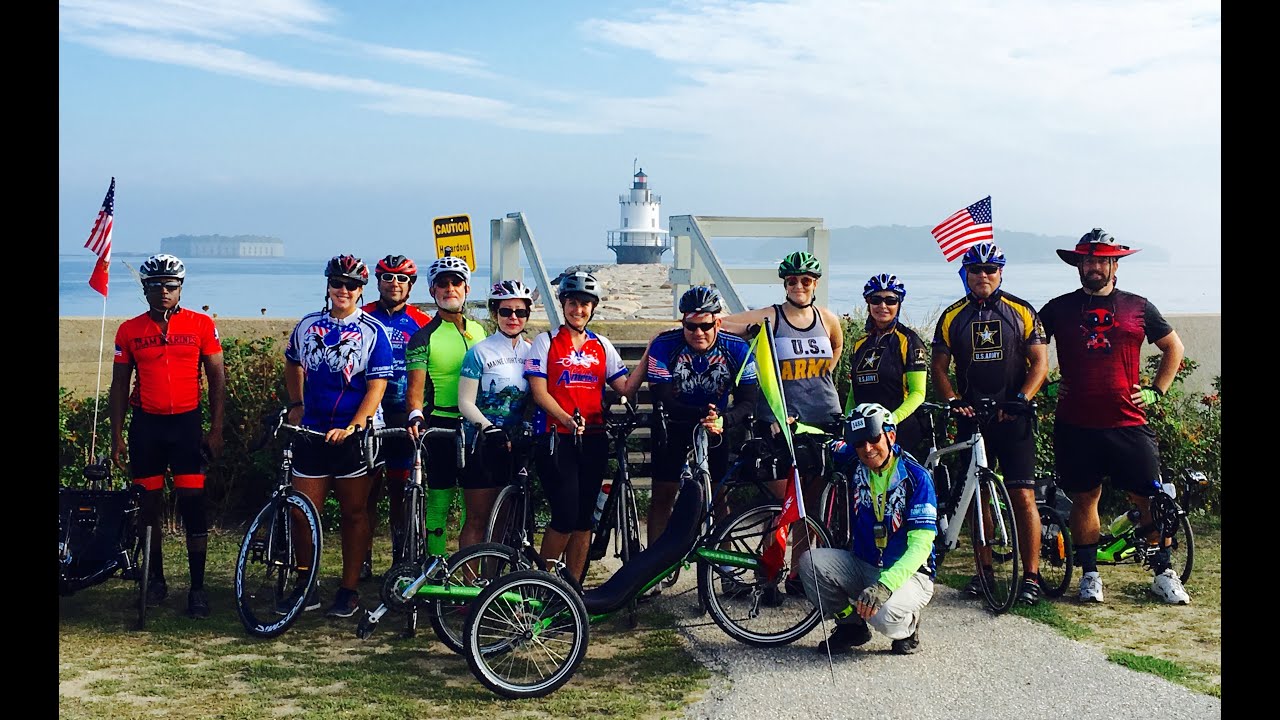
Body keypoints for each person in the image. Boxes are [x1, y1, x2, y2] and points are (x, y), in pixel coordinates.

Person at [1038, 229, 1189, 604]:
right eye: (1087, 261)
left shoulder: (1139, 306)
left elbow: (1173, 348)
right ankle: (1090, 575)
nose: (1093, 266)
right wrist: (1045, 386)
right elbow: (1030, 347)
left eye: (1101, 260)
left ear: (1114, 265)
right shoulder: (1057, 308)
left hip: (1129, 422)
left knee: (1149, 498)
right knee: (1085, 498)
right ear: (1079, 265)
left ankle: (1163, 571)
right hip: (1076, 424)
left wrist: (1156, 391)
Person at [931, 242, 1049, 605]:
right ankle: (983, 572)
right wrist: (953, 401)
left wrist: (1022, 399)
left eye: (990, 269)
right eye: (976, 270)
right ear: (966, 274)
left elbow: (1040, 363)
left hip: (1012, 417)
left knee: (1023, 496)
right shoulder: (953, 315)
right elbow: (939, 366)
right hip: (973, 419)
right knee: (977, 496)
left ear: (1000, 272)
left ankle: (1031, 576)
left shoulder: (1021, 310)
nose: (983, 275)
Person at [720, 250, 844, 595]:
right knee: (783, 503)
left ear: (815, 284)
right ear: (785, 284)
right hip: (779, 421)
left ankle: (800, 575)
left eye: (806, 281)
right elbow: (722, 323)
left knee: (811, 507)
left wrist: (817, 377)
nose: (800, 286)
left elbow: (836, 348)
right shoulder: (772, 317)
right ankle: (768, 573)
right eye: (793, 281)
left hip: (822, 418)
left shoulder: (828, 318)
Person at [109, 253, 225, 619]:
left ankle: (197, 589)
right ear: (145, 288)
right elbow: (118, 385)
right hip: (147, 426)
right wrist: (116, 436)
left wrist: (217, 427)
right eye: (156, 285)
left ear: (181, 289)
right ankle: (155, 580)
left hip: (187, 426)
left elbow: (218, 379)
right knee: (148, 508)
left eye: (171, 286)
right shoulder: (129, 330)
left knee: (192, 502)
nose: (164, 292)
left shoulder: (202, 325)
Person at [283, 254, 393, 618]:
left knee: (355, 513)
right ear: (328, 286)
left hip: (354, 436)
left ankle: (348, 589)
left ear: (361, 291)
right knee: (302, 513)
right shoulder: (307, 325)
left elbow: (376, 387)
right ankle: (306, 583)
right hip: (312, 432)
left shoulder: (372, 331)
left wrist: (354, 425)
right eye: (337, 283)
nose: (342, 290)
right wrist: (296, 402)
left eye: (350, 285)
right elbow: (293, 361)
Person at [798, 403, 937, 655]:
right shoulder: (853, 459)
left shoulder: (917, 478)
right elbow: (824, 440)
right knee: (810, 563)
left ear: (890, 436)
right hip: (863, 563)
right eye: (859, 443)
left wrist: (885, 586)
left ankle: (908, 626)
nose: (867, 448)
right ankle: (851, 626)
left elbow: (921, 546)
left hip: (909, 574)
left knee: (881, 613)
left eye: (874, 439)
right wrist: (793, 426)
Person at [524, 270, 630, 582]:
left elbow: (623, 386)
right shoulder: (545, 342)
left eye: (585, 303)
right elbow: (539, 392)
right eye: (572, 302)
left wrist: (652, 353)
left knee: (585, 520)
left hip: (594, 438)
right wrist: (566, 418)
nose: (578, 309)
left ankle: (573, 586)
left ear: (593, 307)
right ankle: (541, 584)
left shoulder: (602, 345)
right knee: (565, 515)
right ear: (563, 304)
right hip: (556, 438)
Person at [638, 285, 760, 545]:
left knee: (719, 496)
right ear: (682, 322)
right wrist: (701, 414)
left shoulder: (736, 348)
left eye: (705, 326)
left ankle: (725, 569)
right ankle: (651, 569)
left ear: (717, 322)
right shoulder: (665, 344)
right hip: (674, 422)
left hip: (716, 423)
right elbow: (663, 397)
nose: (698, 333)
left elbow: (748, 400)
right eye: (690, 326)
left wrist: (724, 420)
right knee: (663, 495)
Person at [405, 255, 487, 558]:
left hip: (476, 426)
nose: (450, 288)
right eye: (442, 283)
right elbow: (414, 392)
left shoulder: (480, 332)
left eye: (456, 282)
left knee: (474, 507)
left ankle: (469, 574)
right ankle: (435, 572)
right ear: (432, 291)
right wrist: (415, 415)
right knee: (439, 504)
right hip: (441, 426)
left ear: (466, 288)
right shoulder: (423, 337)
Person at [360, 254, 432, 577]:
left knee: (400, 492)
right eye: (388, 277)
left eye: (402, 279)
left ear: (411, 285)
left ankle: (400, 556)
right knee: (366, 491)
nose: (395, 284)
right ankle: (362, 559)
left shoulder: (421, 321)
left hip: (405, 416)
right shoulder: (363, 316)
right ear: (377, 281)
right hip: (369, 414)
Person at [456, 280, 535, 550]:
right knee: (478, 519)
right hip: (483, 443)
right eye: (505, 311)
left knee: (504, 520)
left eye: (520, 312)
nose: (513, 317)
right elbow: (465, 402)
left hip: (516, 445)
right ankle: (467, 583)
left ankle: (492, 581)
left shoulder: (532, 352)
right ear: (494, 314)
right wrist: (490, 428)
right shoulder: (479, 352)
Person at [845, 273, 929, 457]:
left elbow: (918, 393)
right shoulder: (860, 344)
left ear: (899, 304)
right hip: (865, 431)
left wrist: (891, 419)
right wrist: (848, 421)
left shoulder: (909, 340)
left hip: (900, 430)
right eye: (876, 300)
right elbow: (854, 391)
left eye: (891, 300)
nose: (883, 306)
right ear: (868, 303)